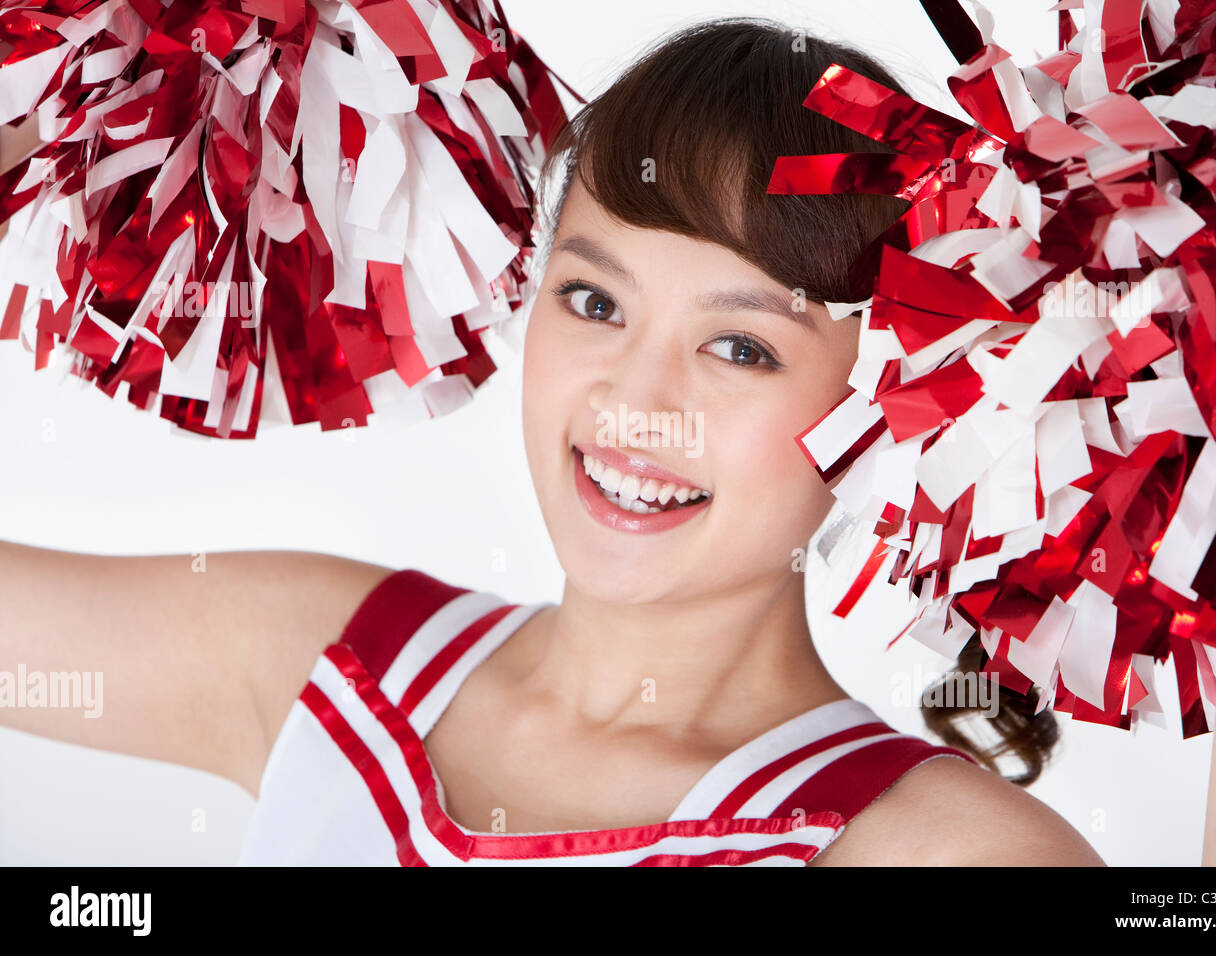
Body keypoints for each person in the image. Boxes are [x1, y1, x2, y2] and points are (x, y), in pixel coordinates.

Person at [0, 17, 1103, 865]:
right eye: (594, 301)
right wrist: (114, 65)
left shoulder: (945, 850)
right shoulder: (322, 665)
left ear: (892, 403)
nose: (635, 394)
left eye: (742, 348)